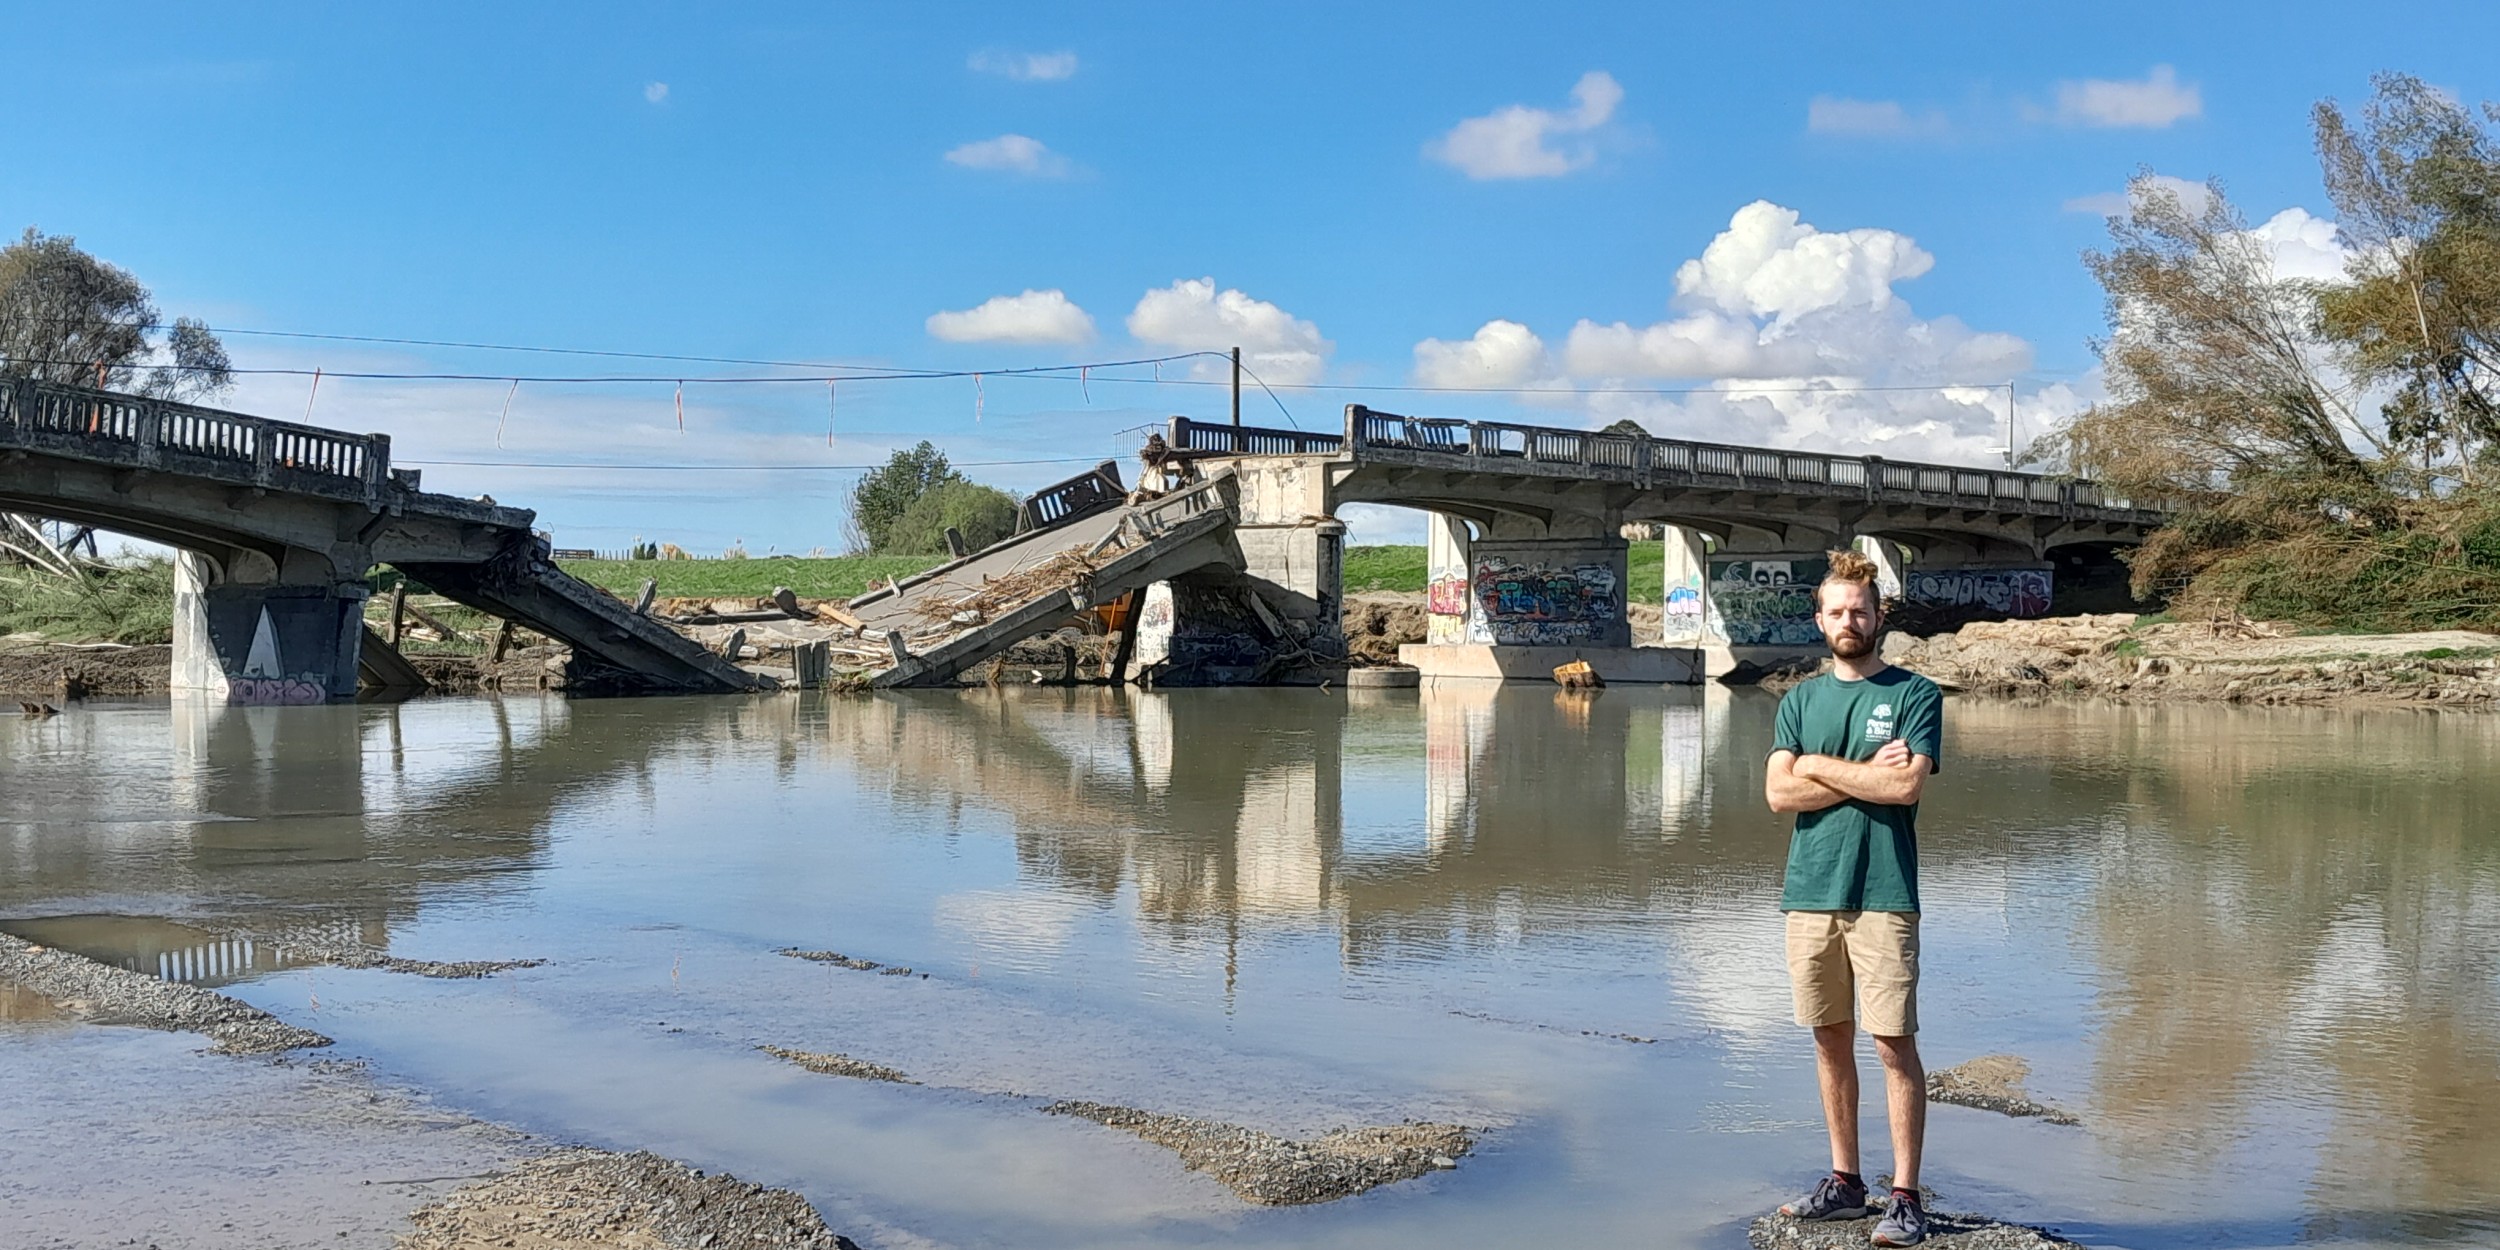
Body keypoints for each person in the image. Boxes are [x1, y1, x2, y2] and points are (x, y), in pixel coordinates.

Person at [1763, 549, 1944, 1247]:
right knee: (1828, 1038)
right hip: (1809, 893)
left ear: (1879, 616)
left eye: (1860, 610)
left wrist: (1815, 765)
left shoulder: (1914, 695)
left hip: (1885, 892)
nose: (1849, 620)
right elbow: (1780, 795)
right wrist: (1860, 770)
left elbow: (1904, 788)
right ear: (1820, 619)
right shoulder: (1800, 700)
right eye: (1837, 610)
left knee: (1893, 1042)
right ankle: (1844, 1183)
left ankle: (1905, 1196)